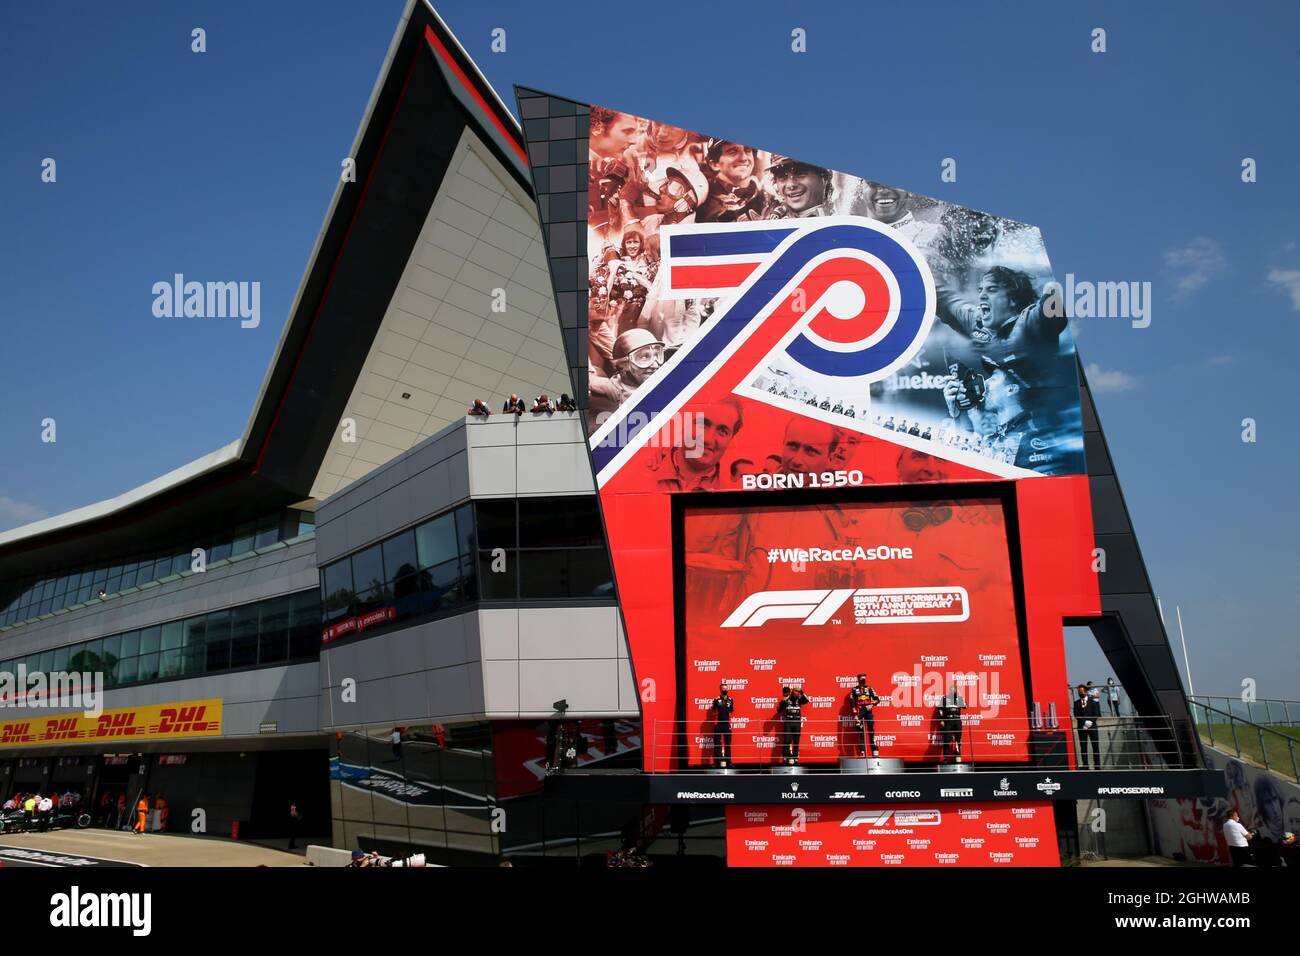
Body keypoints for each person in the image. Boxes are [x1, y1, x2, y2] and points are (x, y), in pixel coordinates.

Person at [647, 397, 743, 491]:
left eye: (722, 431)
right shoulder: (645, 470)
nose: (707, 439)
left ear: (731, 439)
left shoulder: (731, 491)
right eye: (702, 424)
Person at [589, 328, 665, 416]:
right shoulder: (605, 403)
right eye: (644, 357)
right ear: (622, 364)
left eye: (657, 355)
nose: (655, 365)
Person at [765, 156, 835, 218]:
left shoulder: (841, 214)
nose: (791, 185)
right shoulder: (772, 221)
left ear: (824, 177)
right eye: (782, 176)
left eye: (800, 174)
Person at [849, 675, 881, 757]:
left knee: (871, 731)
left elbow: (877, 699)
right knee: (860, 731)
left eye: (864, 679)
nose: (863, 680)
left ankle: (875, 751)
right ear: (858, 680)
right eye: (861, 679)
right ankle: (862, 752)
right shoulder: (854, 690)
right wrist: (855, 714)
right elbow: (852, 703)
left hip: (869, 712)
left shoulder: (869, 688)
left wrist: (872, 704)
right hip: (860, 712)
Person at [779, 685, 810, 765]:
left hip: (797, 722)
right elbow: (779, 709)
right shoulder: (786, 699)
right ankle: (786, 758)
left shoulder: (799, 699)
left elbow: (807, 700)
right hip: (788, 722)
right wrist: (784, 702)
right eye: (795, 691)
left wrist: (801, 691)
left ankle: (795, 758)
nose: (796, 692)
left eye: (797, 691)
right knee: (787, 740)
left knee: (796, 741)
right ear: (791, 692)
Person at [1073, 684, 1102, 769]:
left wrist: (1090, 722)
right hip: (1082, 728)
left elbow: (1096, 714)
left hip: (1092, 727)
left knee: (1095, 746)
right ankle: (1085, 765)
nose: (1080, 693)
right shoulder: (1076, 703)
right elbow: (1076, 715)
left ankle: (1097, 765)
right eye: (1079, 692)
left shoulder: (1093, 702)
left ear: (1085, 691)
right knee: (1083, 747)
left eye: (1081, 691)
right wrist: (1084, 722)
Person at [937, 688, 965, 763]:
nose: (953, 692)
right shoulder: (944, 698)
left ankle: (958, 756)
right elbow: (940, 709)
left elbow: (965, 706)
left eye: (954, 690)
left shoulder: (959, 698)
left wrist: (960, 697)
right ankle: (946, 758)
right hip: (948, 720)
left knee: (958, 739)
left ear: (956, 691)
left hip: (957, 720)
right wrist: (941, 719)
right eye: (951, 690)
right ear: (949, 691)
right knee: (947, 739)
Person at [712, 683, 735, 768]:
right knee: (717, 744)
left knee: (728, 744)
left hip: (726, 724)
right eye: (723, 689)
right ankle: (716, 763)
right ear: (720, 690)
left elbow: (731, 711)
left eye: (726, 689)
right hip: (718, 724)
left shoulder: (730, 700)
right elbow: (713, 711)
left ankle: (729, 762)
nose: (725, 690)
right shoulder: (716, 700)